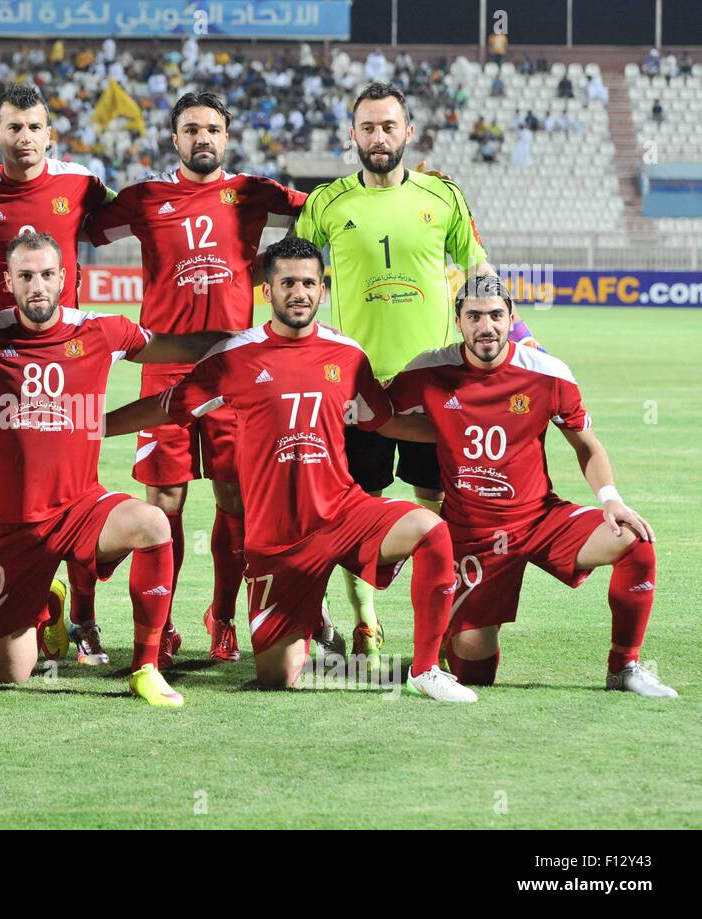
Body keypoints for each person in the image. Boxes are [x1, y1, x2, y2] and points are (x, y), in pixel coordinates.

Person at [103, 238, 475, 701]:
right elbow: (166, 407)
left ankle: (424, 670)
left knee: (429, 530)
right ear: (268, 291)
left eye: (308, 283)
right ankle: (308, 613)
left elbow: (383, 420)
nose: (298, 292)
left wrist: (456, 430)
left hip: (342, 514)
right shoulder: (235, 356)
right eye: (287, 283)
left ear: (322, 291)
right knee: (277, 678)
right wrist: (96, 425)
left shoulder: (347, 354)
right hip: (278, 540)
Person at [0, 232, 235, 706]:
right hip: (10, 527)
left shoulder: (101, 331)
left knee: (153, 523)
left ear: (64, 278)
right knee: (12, 674)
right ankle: (47, 602)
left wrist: (249, 341)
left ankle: (145, 667)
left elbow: (175, 347)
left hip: (80, 507)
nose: (38, 286)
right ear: (8, 281)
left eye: (47, 275)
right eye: (26, 276)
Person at [84, 91, 306, 666]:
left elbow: (326, 209)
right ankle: (161, 624)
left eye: (212, 128)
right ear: (174, 137)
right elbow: (80, 226)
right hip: (165, 364)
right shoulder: (144, 197)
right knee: (165, 501)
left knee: (235, 499)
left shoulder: (253, 192)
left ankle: (223, 615)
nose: (202, 137)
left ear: (226, 138)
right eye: (191, 128)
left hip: (235, 370)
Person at [385, 275, 676, 697]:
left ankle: (624, 667)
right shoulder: (428, 370)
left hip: (541, 519)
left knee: (635, 540)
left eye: (496, 315)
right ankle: (447, 639)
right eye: (475, 316)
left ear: (511, 318)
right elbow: (384, 417)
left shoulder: (547, 372)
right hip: (473, 535)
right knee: (474, 672)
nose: (486, 326)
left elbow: (586, 445)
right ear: (458, 322)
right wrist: (444, 430)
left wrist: (611, 499)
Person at [293, 81, 493, 658]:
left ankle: (437, 624)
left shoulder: (444, 198)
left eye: (388, 126)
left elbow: (479, 269)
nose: (378, 137)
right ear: (351, 135)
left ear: (408, 132)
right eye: (367, 128)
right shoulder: (327, 204)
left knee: (434, 503)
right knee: (360, 504)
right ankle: (367, 621)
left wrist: (509, 341)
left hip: (432, 384)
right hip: (355, 387)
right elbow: (292, 274)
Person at [0, 84, 114, 666]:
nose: (24, 138)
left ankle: (83, 622)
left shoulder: (83, 184)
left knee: (76, 496)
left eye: (34, 128)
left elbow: (118, 222)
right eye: (13, 128)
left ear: (50, 133)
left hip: (65, 363)